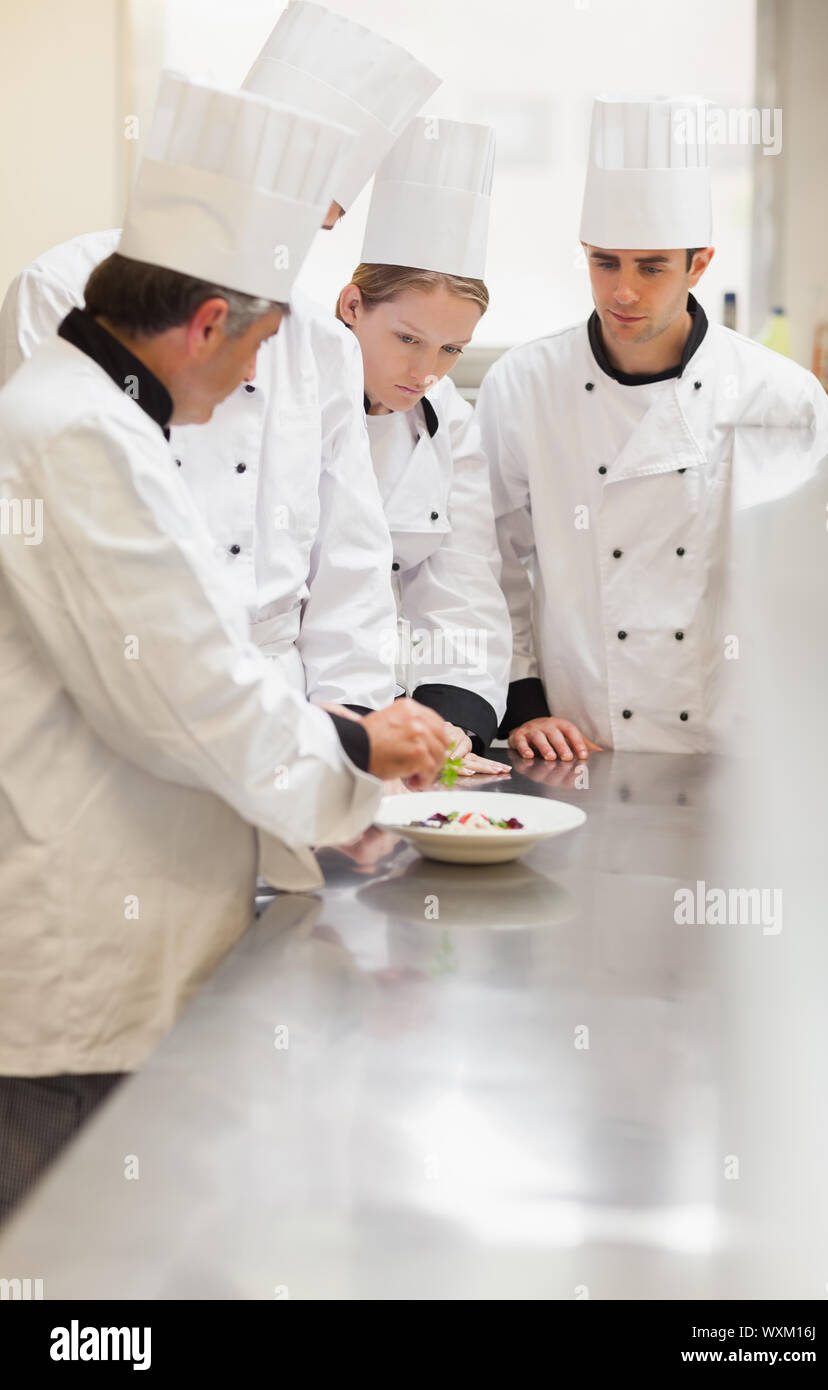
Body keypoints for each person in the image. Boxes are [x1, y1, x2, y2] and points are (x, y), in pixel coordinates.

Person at [0, 75, 448, 1223]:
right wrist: (353, 753)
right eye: (256, 348)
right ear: (205, 324)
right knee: (83, 1268)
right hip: (89, 943)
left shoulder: (85, 411)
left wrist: (344, 742)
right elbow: (181, 690)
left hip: (141, 910)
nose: (258, 379)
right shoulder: (80, 435)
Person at [0, 0, 440, 716]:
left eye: (319, 224)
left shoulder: (322, 343)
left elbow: (350, 559)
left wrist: (358, 726)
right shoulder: (60, 291)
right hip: (119, 694)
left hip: (280, 697)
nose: (248, 369)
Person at [476, 94, 828, 759]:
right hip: (580, 741)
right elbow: (490, 562)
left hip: (738, 754)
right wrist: (522, 703)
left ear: (698, 264)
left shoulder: (779, 398)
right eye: (605, 263)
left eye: (651, 268)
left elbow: (825, 587)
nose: (623, 292)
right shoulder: (523, 386)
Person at [337, 118, 512, 775]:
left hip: (395, 723)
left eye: (450, 350)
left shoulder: (448, 421)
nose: (424, 371)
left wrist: (448, 728)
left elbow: (461, 589)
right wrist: (358, 733)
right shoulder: (283, 402)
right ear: (352, 305)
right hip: (299, 718)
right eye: (407, 339)